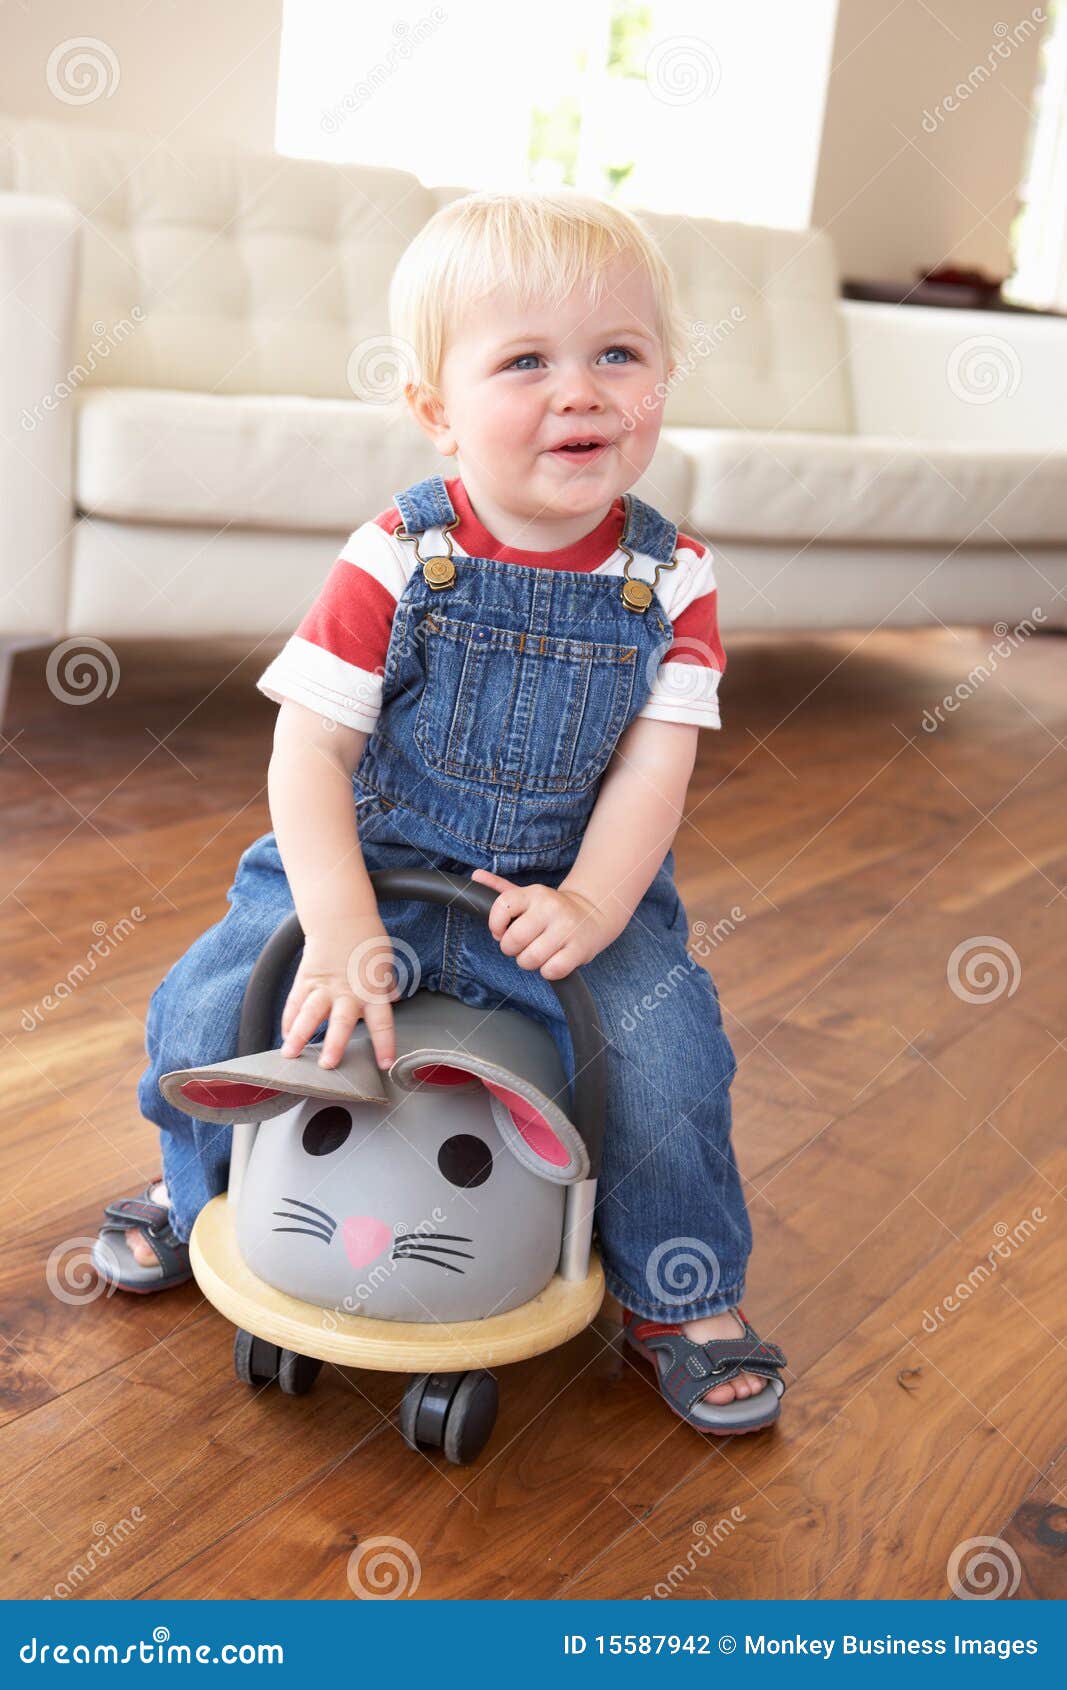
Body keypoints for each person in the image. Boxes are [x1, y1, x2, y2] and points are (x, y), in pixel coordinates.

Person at [91, 189, 787, 1434]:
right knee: (206, 999)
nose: (579, 394)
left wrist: (592, 905)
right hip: (370, 861)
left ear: (662, 379)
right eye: (525, 363)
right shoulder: (399, 555)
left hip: (560, 890)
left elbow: (653, 768)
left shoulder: (670, 577)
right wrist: (338, 925)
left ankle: (679, 1290)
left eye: (615, 355)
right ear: (436, 409)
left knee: (669, 1052)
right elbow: (309, 752)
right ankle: (194, 1186)